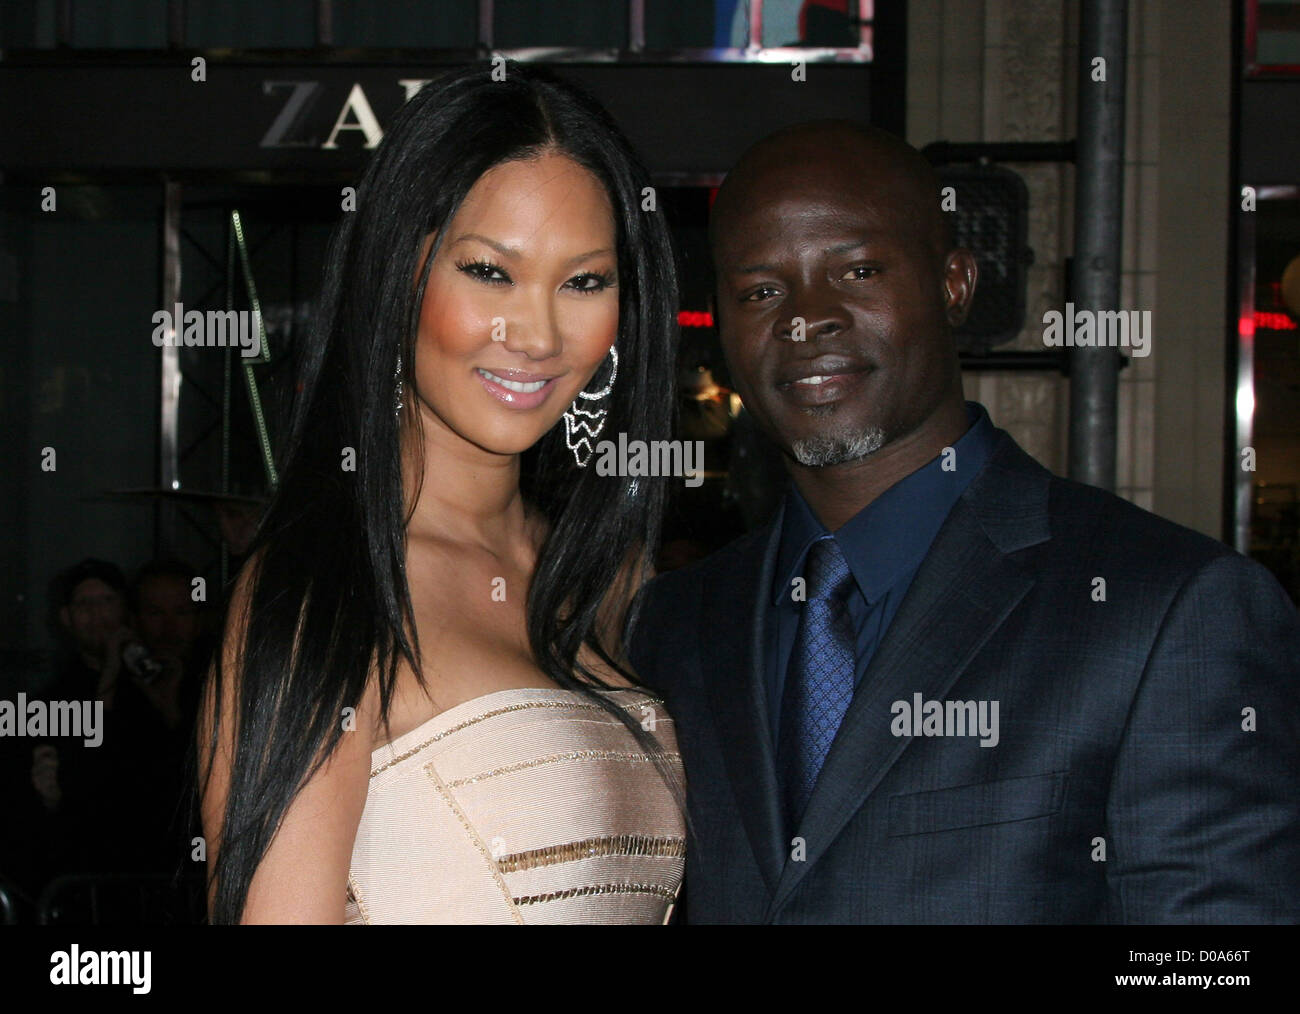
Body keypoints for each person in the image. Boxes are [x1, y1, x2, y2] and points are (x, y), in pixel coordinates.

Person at [628, 120, 1300, 923]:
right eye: (761, 291)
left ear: (954, 284)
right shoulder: (673, 621)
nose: (807, 320)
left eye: (859, 269)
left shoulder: (1167, 609)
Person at [198, 63, 686, 924]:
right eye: (490, 272)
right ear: (399, 274)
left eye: (584, 282)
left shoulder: (612, 579)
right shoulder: (325, 591)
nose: (535, 334)